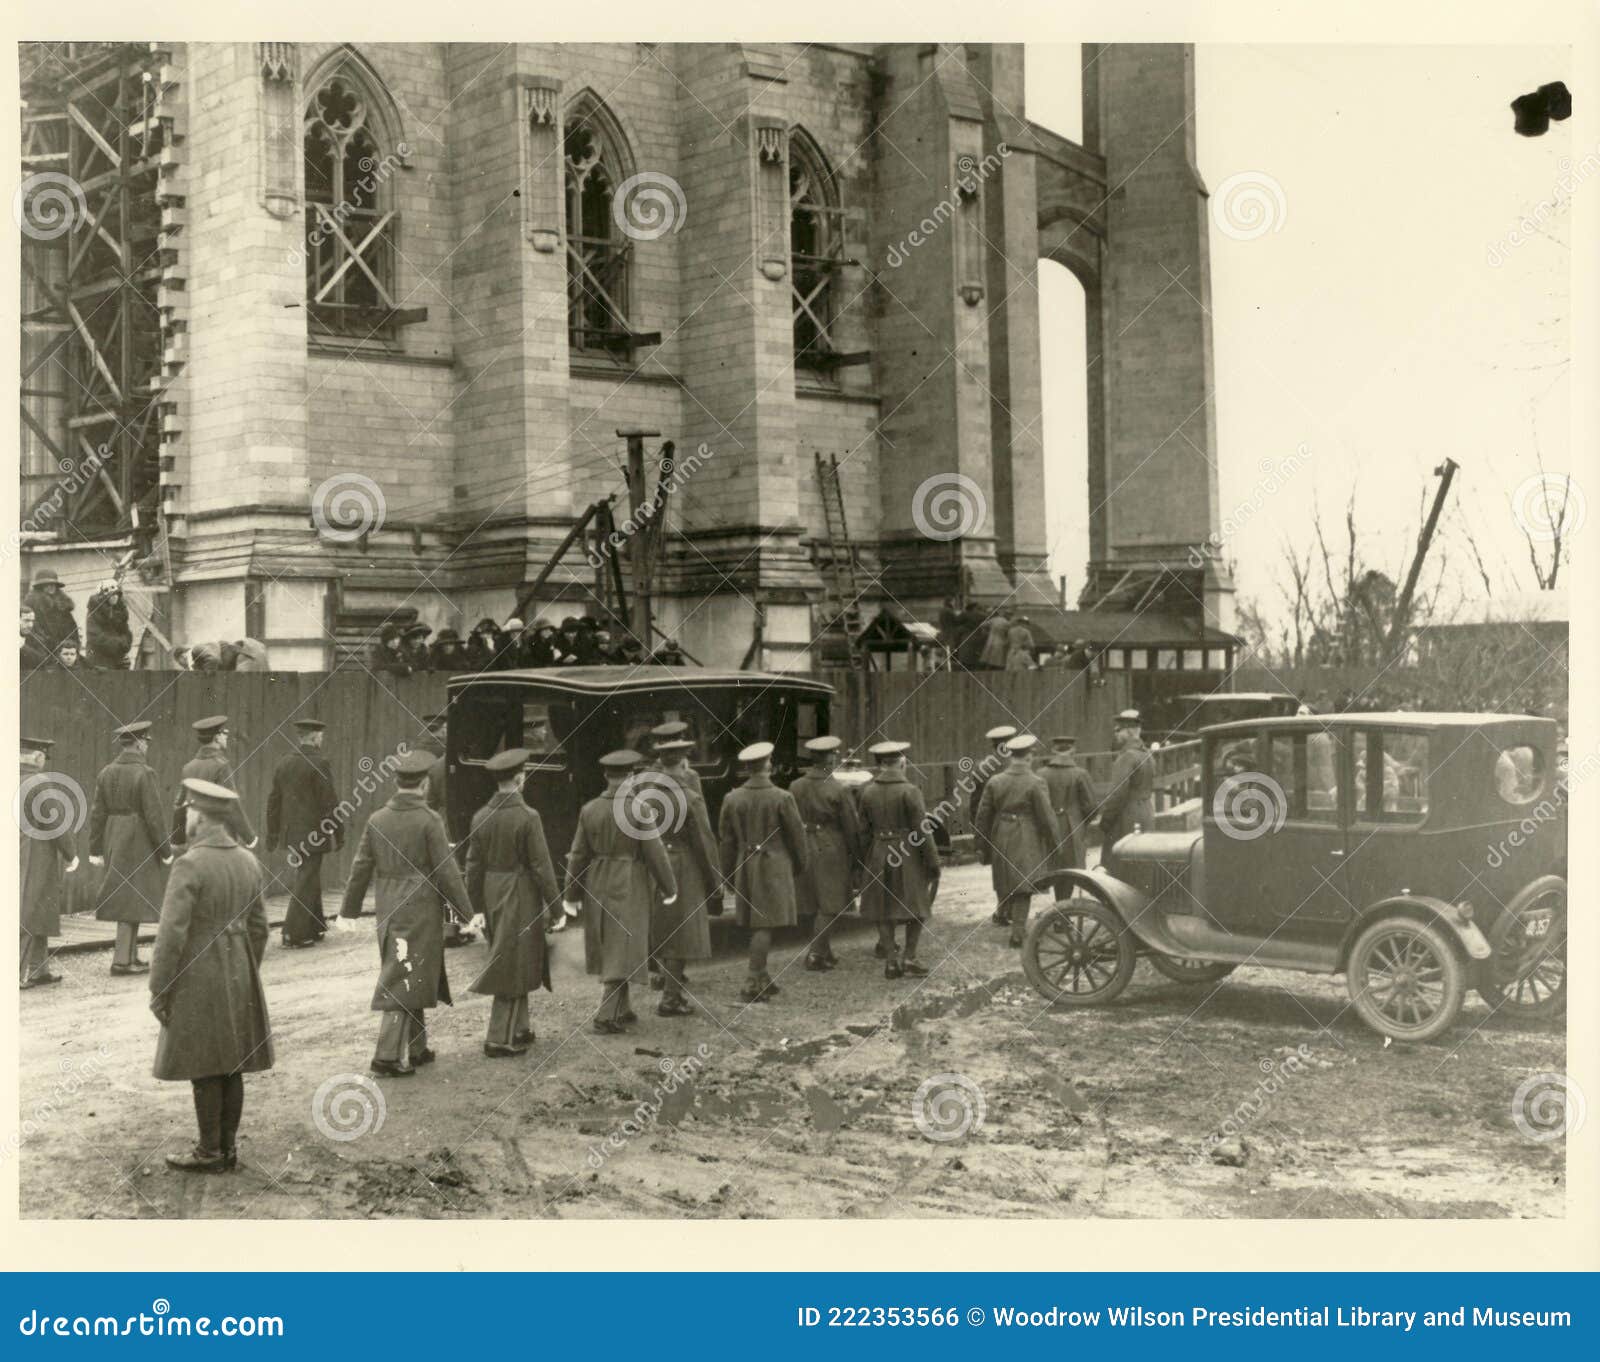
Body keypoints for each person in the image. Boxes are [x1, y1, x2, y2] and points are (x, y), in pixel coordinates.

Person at [148, 778, 273, 1173]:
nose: (185, 816)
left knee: (204, 1062)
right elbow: (261, 929)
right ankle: (227, 1148)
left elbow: (171, 936)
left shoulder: (190, 863)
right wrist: (243, 967)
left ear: (199, 816)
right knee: (232, 1061)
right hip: (239, 970)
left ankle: (209, 1152)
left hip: (197, 973)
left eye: (187, 810)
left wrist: (160, 988)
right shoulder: (249, 862)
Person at [340, 749, 473, 1076]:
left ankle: (417, 1047)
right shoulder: (429, 820)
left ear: (398, 783)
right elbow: (447, 871)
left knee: (408, 968)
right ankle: (385, 1057)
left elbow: (360, 868)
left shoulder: (377, 819)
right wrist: (468, 913)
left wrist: (349, 911)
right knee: (403, 976)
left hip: (388, 903)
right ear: (425, 784)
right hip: (421, 904)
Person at [564, 750, 678, 1034]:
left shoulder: (589, 809)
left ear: (606, 775)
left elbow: (578, 855)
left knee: (614, 943)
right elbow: (656, 853)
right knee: (623, 945)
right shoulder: (639, 809)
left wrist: (570, 894)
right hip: (629, 881)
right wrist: (669, 887)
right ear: (631, 776)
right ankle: (605, 1015)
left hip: (597, 879)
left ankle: (623, 1007)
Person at [466, 749, 558, 1056]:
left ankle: (519, 1027)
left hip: (493, 888)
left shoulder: (481, 816)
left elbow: (473, 866)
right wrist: (556, 907)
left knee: (515, 954)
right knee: (510, 959)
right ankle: (497, 1038)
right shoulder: (528, 817)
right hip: (519, 891)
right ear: (520, 778)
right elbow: (542, 866)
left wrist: (475, 906)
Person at [718, 742, 808, 1004]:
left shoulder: (732, 798)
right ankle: (752, 979)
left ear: (747, 767)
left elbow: (726, 840)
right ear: (768, 763)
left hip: (745, 865)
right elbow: (797, 837)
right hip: (774, 864)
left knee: (758, 921)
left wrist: (728, 874)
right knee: (765, 923)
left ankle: (763, 976)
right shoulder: (782, 797)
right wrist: (801, 864)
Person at [88, 720, 172, 976]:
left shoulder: (106, 772)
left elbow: (97, 814)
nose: (147, 745)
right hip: (138, 838)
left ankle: (130, 955)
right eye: (146, 741)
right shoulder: (144, 773)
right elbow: (154, 815)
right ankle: (122, 960)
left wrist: (95, 848)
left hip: (115, 836)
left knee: (128, 897)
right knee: (131, 898)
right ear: (137, 742)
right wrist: (165, 850)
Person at [644, 744, 720, 1017]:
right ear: (684, 761)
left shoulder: (645, 793)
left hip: (653, 863)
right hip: (683, 864)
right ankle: (670, 998)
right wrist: (714, 880)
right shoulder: (689, 797)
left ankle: (663, 980)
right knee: (681, 931)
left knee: (661, 925)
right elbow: (704, 841)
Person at [857, 740, 940, 978]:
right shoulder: (910, 791)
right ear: (901, 761)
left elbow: (862, 832)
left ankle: (891, 961)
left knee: (882, 907)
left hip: (878, 852)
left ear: (880, 763)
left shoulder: (867, 792)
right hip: (907, 854)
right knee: (918, 906)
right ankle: (910, 957)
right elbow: (922, 831)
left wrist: (865, 860)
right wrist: (933, 861)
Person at [974, 735, 1061, 947]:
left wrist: (981, 844)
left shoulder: (995, 781)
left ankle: (1010, 920)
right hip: (1026, 835)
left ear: (1011, 756)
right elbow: (1047, 817)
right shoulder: (1036, 782)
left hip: (1001, 832)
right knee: (1024, 884)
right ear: (1030, 756)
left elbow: (982, 816)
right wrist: (1055, 843)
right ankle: (1018, 933)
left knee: (1007, 878)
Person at [789, 736, 863, 972]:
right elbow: (850, 824)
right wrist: (857, 855)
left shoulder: (796, 786)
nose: (835, 759)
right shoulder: (838, 788)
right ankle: (815, 954)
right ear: (829, 758)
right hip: (831, 846)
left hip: (804, 843)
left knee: (815, 900)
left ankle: (826, 950)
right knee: (832, 904)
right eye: (833, 755)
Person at [266, 719, 342, 948]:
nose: (322, 739)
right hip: (314, 834)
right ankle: (294, 933)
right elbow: (329, 802)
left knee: (308, 875)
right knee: (307, 877)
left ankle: (315, 925)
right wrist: (338, 832)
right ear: (315, 737)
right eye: (320, 735)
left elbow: (274, 801)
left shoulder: (284, 763)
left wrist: (273, 833)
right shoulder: (320, 763)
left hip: (291, 834)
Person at [20, 737, 79, 989]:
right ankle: (21, 972)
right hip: (36, 851)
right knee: (31, 907)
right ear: (38, 757)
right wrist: (71, 853)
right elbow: (55, 822)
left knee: (37, 905)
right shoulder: (39, 783)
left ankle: (39, 969)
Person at [419, 711, 474, 948]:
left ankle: (449, 928)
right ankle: (461, 925)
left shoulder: (435, 768)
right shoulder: (471, 765)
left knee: (447, 875)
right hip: (467, 825)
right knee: (460, 875)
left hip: (444, 825)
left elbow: (429, 803)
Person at [172, 716, 257, 852]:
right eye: (225, 733)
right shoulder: (221, 766)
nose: (226, 737)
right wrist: (250, 838)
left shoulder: (188, 767)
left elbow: (179, 805)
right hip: (220, 838)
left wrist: (178, 839)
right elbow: (231, 804)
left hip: (195, 839)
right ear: (217, 737)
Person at [1096, 709, 1154, 872]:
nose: (1116, 735)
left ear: (1128, 732)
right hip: (1147, 814)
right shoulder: (1147, 755)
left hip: (1126, 816)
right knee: (1142, 864)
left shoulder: (1126, 757)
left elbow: (1117, 795)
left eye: (1118, 730)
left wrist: (1105, 823)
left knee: (1118, 867)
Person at [972, 724, 1017, 927]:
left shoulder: (983, 768)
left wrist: (977, 828)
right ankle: (1015, 909)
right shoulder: (1018, 764)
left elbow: (976, 803)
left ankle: (1002, 908)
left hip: (993, 823)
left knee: (1000, 868)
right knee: (1017, 864)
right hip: (1018, 823)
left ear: (994, 746)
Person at [1040, 735, 1096, 893]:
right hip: (1073, 829)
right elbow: (1091, 807)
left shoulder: (1041, 773)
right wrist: (1081, 821)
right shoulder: (1080, 774)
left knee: (1052, 868)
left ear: (1053, 750)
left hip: (1048, 829)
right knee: (1070, 871)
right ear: (1073, 750)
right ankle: (1064, 908)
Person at [23, 568, 78, 659]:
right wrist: (49, 645)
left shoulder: (63, 606)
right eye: (47, 585)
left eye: (53, 584)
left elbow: (72, 629)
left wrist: (69, 646)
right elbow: (33, 631)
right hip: (41, 652)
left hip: (63, 652)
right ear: (40, 587)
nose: (51, 587)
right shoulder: (33, 606)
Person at [84, 583, 133, 669]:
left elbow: (126, 633)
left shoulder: (120, 612)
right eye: (111, 595)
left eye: (117, 594)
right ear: (104, 597)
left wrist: (124, 644)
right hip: (99, 659)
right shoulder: (94, 612)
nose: (115, 597)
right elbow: (95, 637)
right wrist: (119, 644)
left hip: (118, 658)